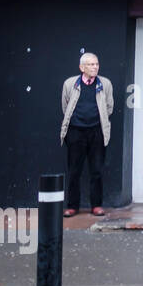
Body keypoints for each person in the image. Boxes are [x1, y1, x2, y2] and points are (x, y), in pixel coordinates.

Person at [59, 52, 115, 217]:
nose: (95, 67)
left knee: (96, 170)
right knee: (74, 170)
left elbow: (109, 107)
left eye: (96, 64)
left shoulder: (105, 84)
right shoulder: (70, 84)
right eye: (91, 64)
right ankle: (72, 206)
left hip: (97, 131)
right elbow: (65, 106)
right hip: (76, 131)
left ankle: (96, 205)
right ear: (82, 67)